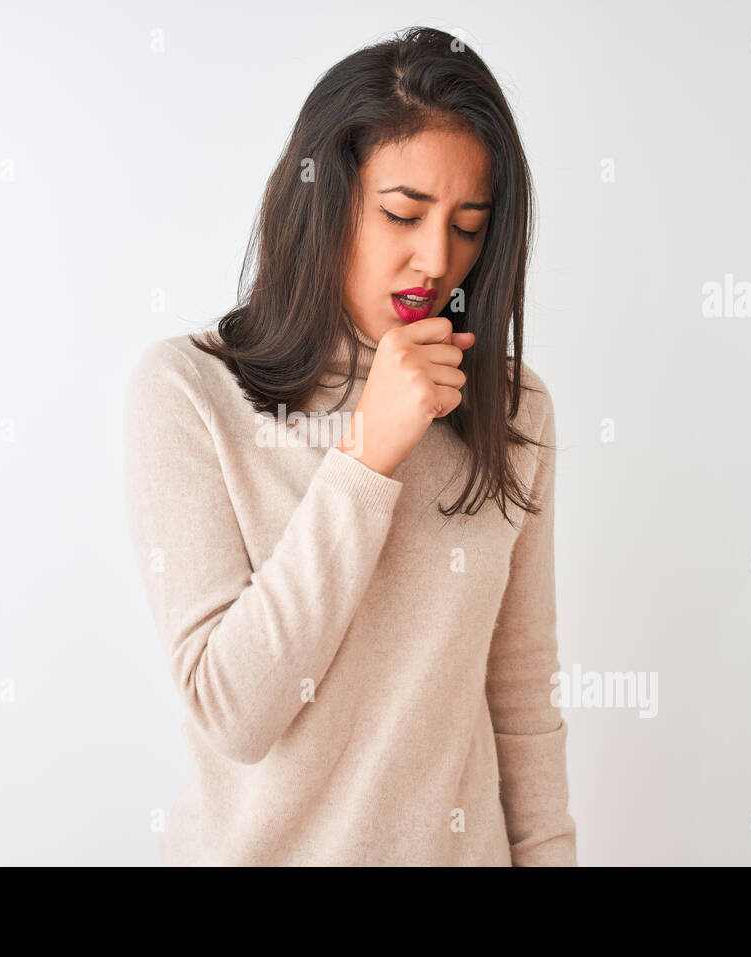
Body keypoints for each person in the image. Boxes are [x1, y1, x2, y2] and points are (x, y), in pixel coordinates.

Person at [122, 26, 576, 866]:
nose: (437, 261)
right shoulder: (188, 393)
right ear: (322, 201)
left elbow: (521, 705)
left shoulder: (514, 411)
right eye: (402, 213)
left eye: (469, 226)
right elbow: (235, 711)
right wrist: (368, 455)